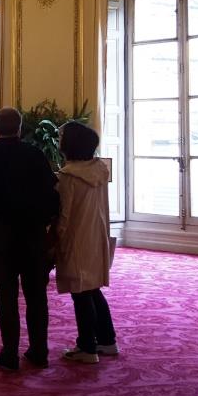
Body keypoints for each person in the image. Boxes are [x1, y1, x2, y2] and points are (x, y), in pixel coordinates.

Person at [0, 107, 59, 371]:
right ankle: (39, 351)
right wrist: (51, 227)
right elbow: (52, 193)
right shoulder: (35, 154)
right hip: (33, 231)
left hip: (1, 231)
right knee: (36, 295)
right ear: (19, 127)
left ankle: (9, 353)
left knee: (6, 295)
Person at [55, 121, 118, 364]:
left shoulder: (68, 176)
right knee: (92, 290)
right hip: (95, 235)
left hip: (76, 237)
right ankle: (107, 340)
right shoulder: (99, 170)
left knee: (80, 293)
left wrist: (55, 239)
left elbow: (65, 215)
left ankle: (87, 346)